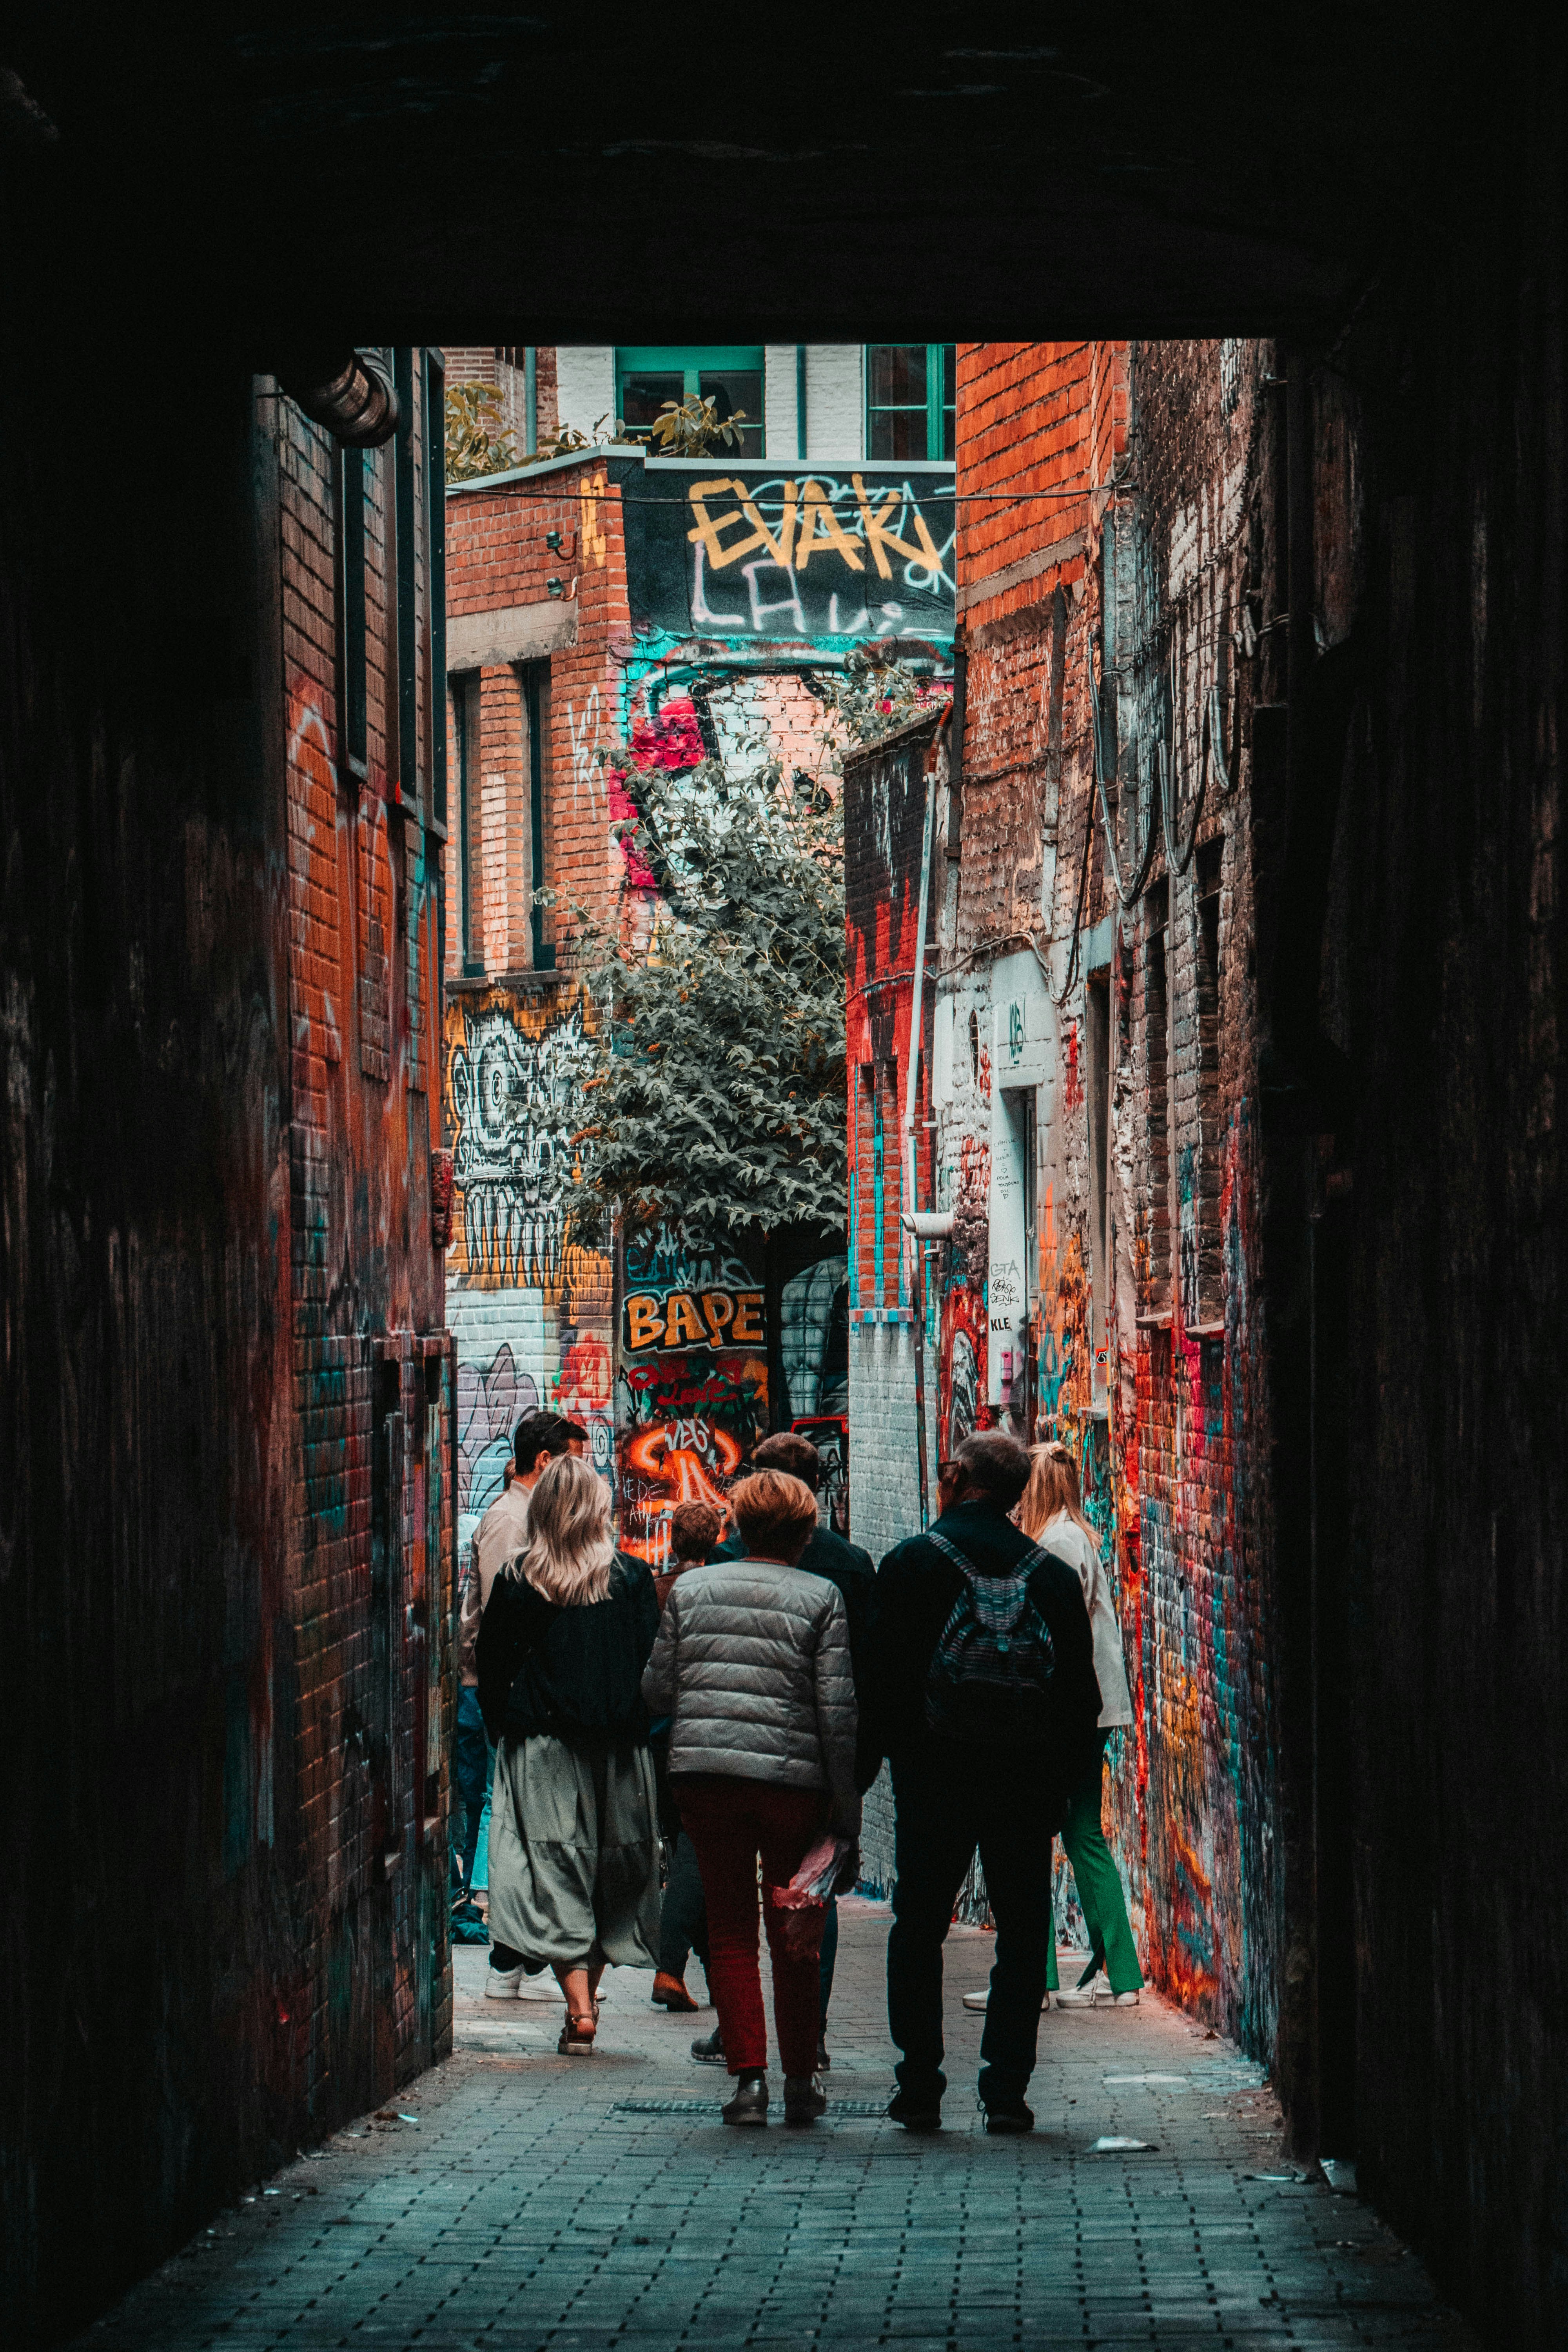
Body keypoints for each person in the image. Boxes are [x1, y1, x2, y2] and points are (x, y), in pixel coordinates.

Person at [861, 1429, 1103, 2134]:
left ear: (957, 1477)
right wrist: (1061, 1785)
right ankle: (1006, 2092)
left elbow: (879, 1683)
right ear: (1017, 1490)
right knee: (1023, 1934)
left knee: (918, 1928)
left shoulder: (911, 1563)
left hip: (932, 1777)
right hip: (1023, 1781)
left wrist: (871, 1769)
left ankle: (919, 2086)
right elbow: (1079, 1697)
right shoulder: (1049, 1575)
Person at [641, 1468, 859, 2129]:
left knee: (730, 1929)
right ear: (804, 1533)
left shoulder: (692, 1589)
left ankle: (749, 2084)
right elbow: (837, 1713)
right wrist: (845, 1805)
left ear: (737, 1526)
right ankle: (800, 2083)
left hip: (706, 1776)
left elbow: (656, 1690)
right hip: (792, 1784)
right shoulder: (822, 1597)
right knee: (794, 1930)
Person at [697, 1429, 874, 2071]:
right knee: (807, 1902)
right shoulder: (847, 1569)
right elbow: (856, 1685)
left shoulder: (713, 1568)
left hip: (719, 1761)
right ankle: (808, 2047)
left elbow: (665, 1684)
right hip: (807, 1767)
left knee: (731, 1922)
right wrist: (852, 1778)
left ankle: (743, 2055)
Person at [476, 1454, 662, 2050]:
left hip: (541, 1748)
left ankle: (580, 2009)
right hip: (620, 1751)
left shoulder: (519, 1579)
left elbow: (492, 1666)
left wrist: (504, 1730)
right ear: (597, 1510)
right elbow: (653, 1667)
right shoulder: (632, 1579)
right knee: (613, 1875)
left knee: (554, 1873)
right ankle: (584, 2003)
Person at [1016, 1440, 1143, 2010]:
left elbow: (1054, 1633)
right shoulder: (1074, 1536)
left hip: (1067, 1713)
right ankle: (1122, 1977)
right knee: (1081, 1831)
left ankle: (1038, 1980)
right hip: (1091, 1710)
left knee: (1035, 1834)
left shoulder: (1058, 1544)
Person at [456, 1411, 587, 1943]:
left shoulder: (532, 1517)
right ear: (545, 1461)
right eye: (574, 1463)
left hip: (513, 1685)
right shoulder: (512, 1520)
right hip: (499, 1687)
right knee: (498, 1793)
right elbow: (499, 1617)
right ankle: (485, 1897)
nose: (581, 1476)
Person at [648, 1499, 723, 2014]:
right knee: (697, 1855)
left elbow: (651, 1676)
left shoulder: (657, 1591)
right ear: (715, 1540)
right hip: (704, 1736)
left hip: (663, 1736)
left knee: (687, 1850)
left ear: (674, 1540)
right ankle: (671, 1967)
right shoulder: (717, 1591)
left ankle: (709, 1972)